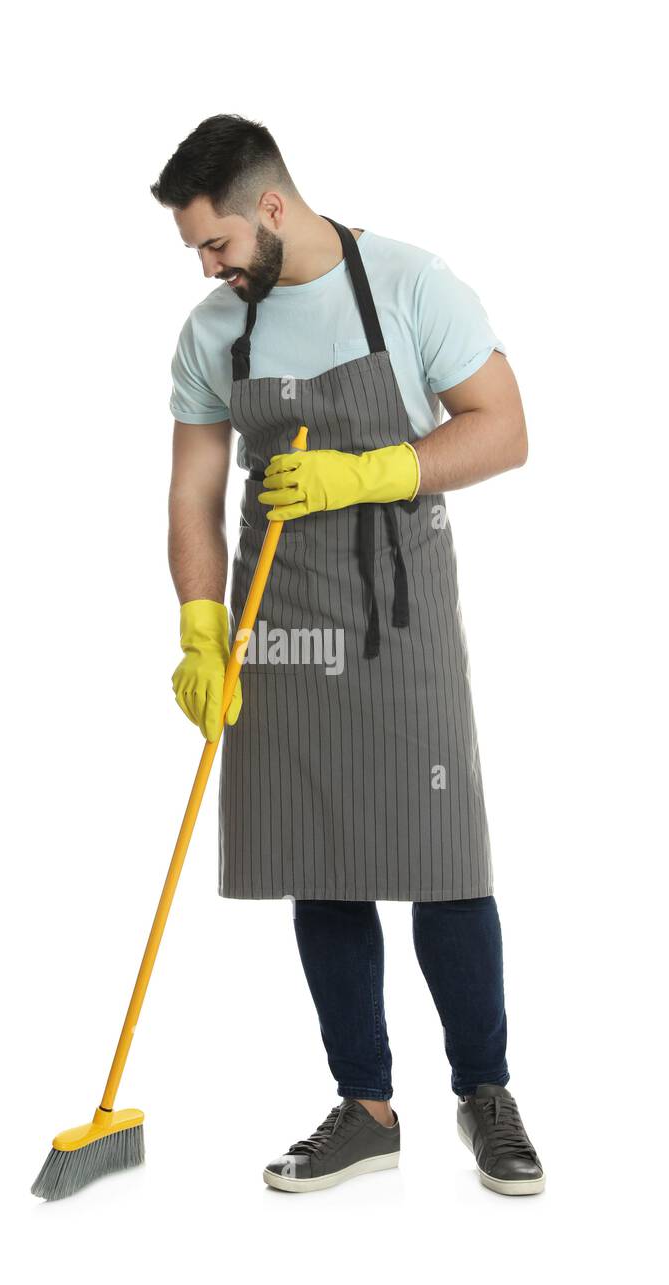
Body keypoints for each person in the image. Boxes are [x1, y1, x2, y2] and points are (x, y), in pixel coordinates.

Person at [151, 114, 545, 1197]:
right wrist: (198, 627)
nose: (208, 268)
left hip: (400, 616)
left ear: (270, 209)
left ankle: (486, 1092)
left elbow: (502, 426)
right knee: (315, 861)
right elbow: (191, 493)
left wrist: (372, 473)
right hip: (276, 626)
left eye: (216, 244)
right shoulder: (210, 334)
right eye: (196, 253)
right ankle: (365, 1105)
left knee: (442, 858)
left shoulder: (411, 285)